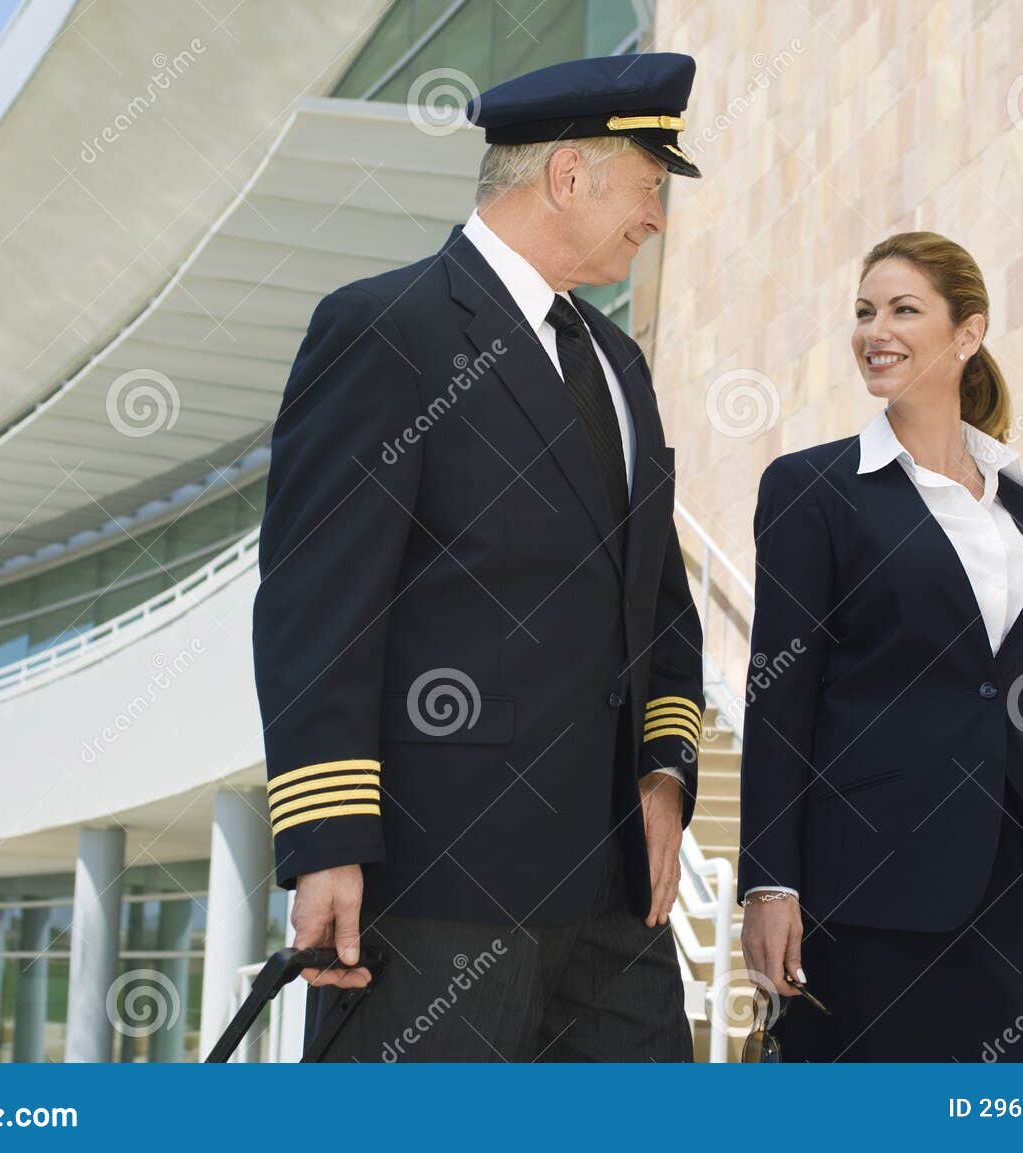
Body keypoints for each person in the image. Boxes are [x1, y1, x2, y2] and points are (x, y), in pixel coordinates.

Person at [251, 53, 706, 1061]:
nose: (657, 218)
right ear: (568, 177)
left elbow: (659, 607)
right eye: (648, 188)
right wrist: (325, 842)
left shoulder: (619, 363)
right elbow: (317, 603)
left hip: (613, 897)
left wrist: (666, 775)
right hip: (436, 887)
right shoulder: (387, 329)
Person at [736, 230, 1023, 1061]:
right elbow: (778, 700)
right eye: (865, 311)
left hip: (1021, 899)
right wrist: (769, 880)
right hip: (868, 888)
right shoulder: (813, 490)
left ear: (966, 333)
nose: (877, 330)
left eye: (905, 309)